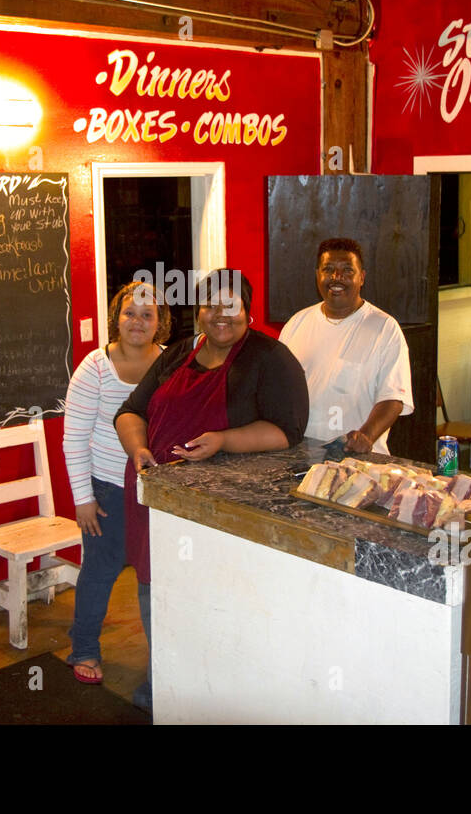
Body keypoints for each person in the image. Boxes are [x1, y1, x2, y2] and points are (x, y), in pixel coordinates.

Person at [115, 268, 308, 711]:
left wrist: (224, 440)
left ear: (248, 312)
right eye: (210, 305)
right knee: (154, 590)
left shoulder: (270, 358)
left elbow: (287, 430)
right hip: (158, 495)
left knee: (209, 598)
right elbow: (130, 411)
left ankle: (206, 692)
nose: (221, 315)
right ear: (198, 311)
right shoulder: (180, 353)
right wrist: (138, 448)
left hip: (220, 508)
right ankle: (162, 678)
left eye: (231, 305)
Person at [63, 281, 170, 686]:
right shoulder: (95, 368)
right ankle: (85, 647)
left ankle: (161, 662)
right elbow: (73, 438)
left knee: (152, 576)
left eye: (147, 314)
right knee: (100, 571)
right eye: (129, 313)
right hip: (107, 490)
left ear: (160, 322)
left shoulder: (170, 364)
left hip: (155, 492)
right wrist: (83, 498)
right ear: (116, 318)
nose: (137, 322)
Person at [279, 238, 413, 454]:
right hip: (301, 455)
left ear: (362, 277)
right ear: (317, 276)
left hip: (359, 460)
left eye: (347, 270)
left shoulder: (385, 328)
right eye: (328, 269)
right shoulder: (296, 324)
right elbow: (279, 390)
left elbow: (393, 398)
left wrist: (366, 436)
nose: (336, 277)